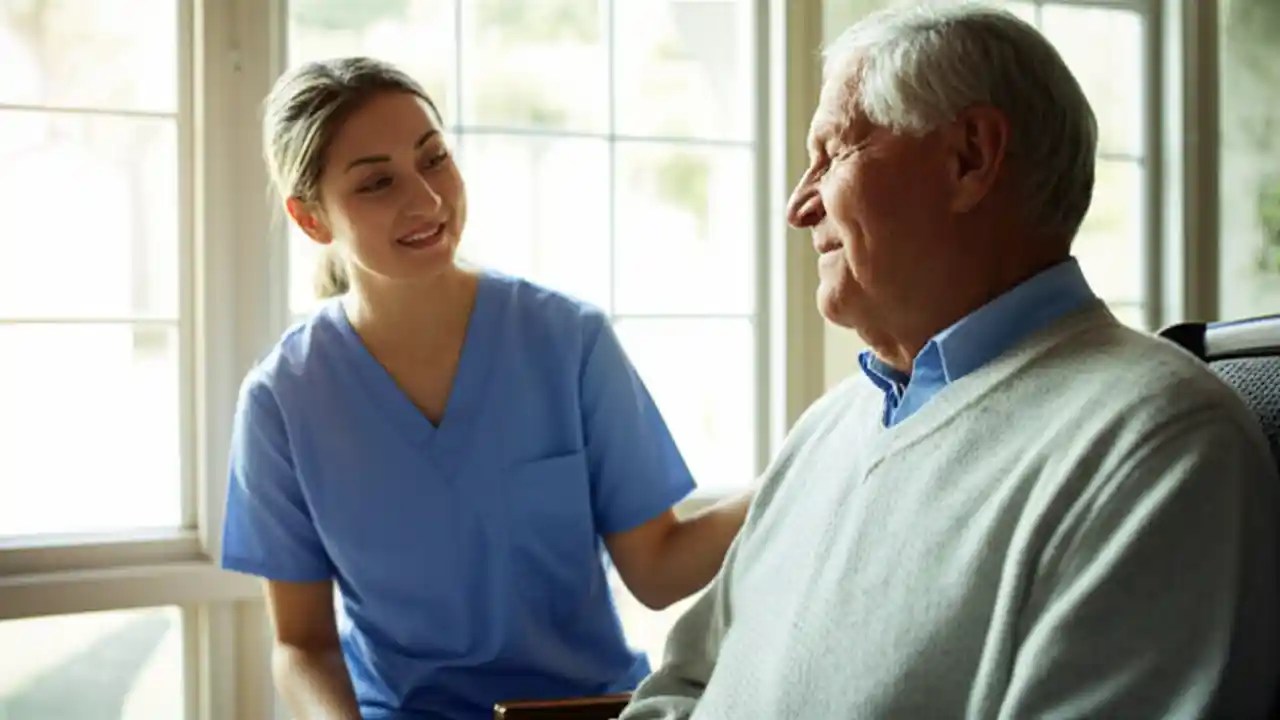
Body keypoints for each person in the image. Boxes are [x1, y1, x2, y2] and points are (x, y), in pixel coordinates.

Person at [622, 5, 1279, 718]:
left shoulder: (1158, 444)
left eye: (833, 152)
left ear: (970, 157)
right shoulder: (828, 427)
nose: (799, 205)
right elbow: (681, 692)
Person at [219, 56, 751, 720]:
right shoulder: (282, 401)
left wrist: (805, 463)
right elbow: (302, 644)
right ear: (311, 219)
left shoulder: (568, 341)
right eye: (378, 182)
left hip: (586, 711)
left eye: (434, 158)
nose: (427, 200)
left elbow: (658, 569)